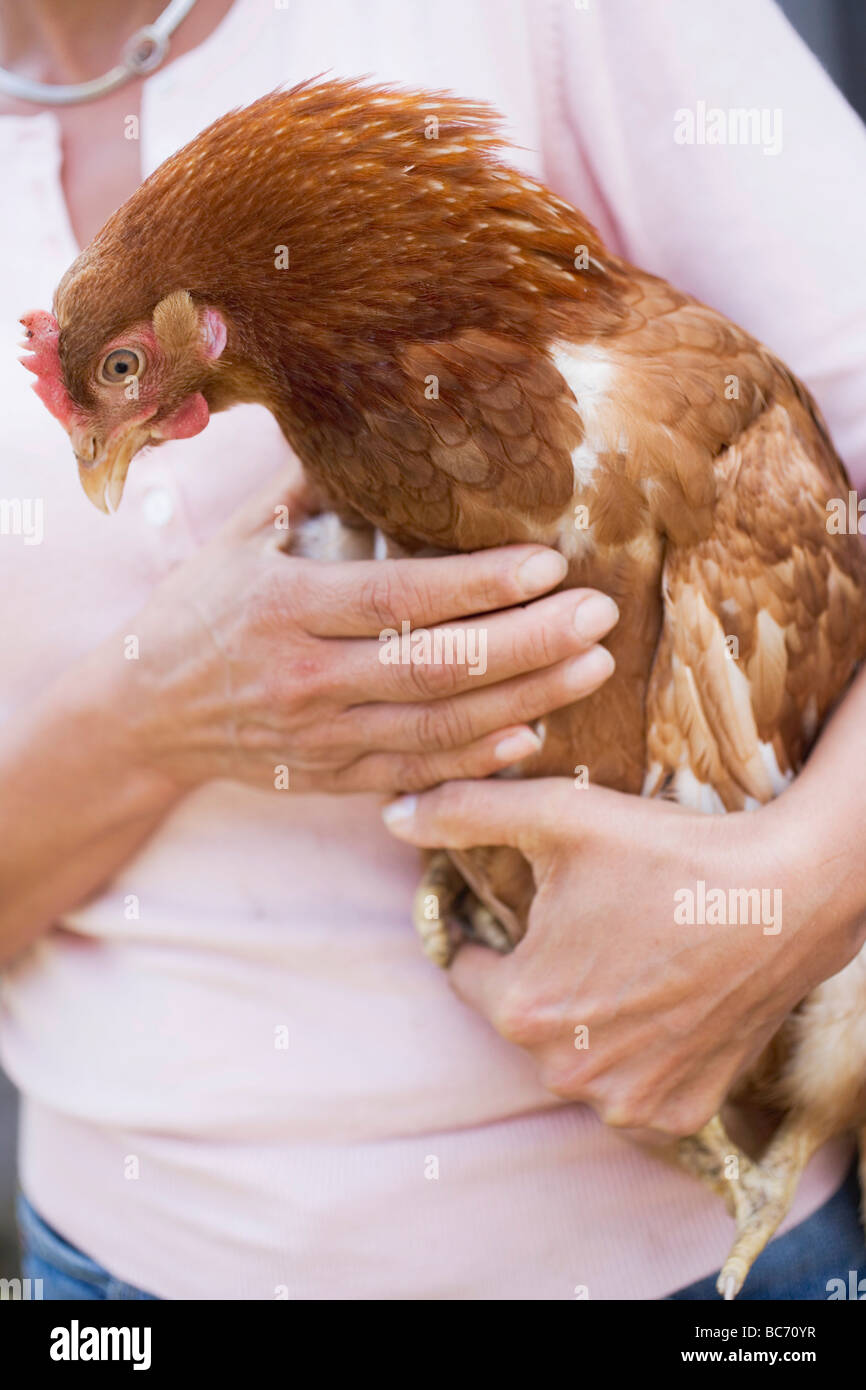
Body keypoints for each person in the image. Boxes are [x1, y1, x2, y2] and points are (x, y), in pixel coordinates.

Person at [1, 0, 864, 1301]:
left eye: (121, 377)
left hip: (694, 1266)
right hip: (113, 1270)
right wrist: (144, 716)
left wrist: (789, 887)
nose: (95, 454)